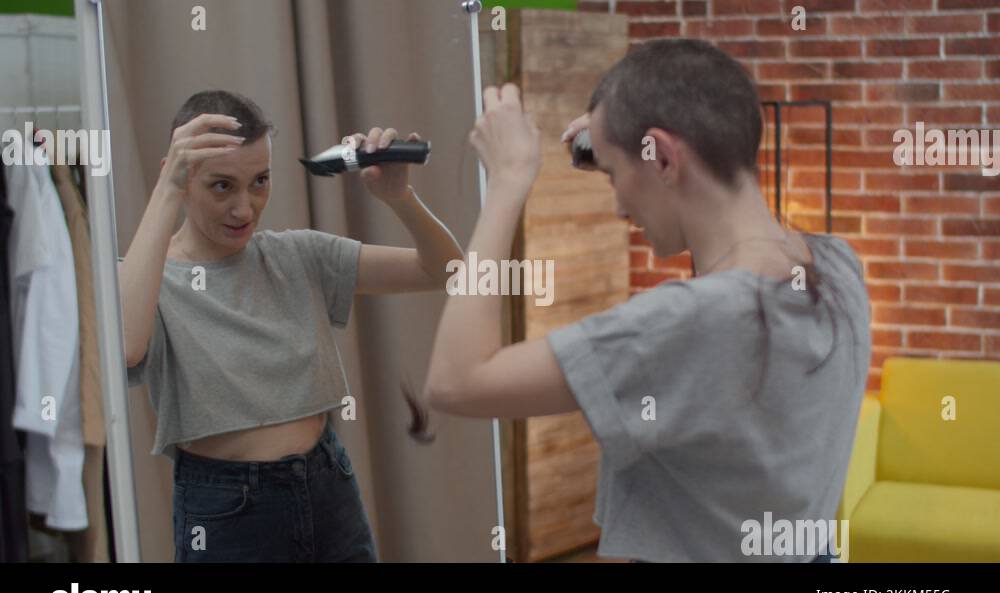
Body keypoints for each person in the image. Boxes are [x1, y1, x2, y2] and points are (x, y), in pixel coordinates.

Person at [423, 39, 871, 563]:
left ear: (663, 156)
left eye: (613, 176)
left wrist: (506, 182)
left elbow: (457, 380)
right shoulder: (840, 266)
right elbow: (729, 294)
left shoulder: (684, 322)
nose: (618, 204)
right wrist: (628, 153)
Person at [121, 90, 463, 562]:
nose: (245, 208)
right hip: (226, 511)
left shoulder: (299, 255)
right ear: (179, 177)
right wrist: (164, 191)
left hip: (327, 487)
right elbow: (125, 348)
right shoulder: (147, 278)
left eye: (259, 181)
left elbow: (446, 271)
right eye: (222, 186)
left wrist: (400, 197)